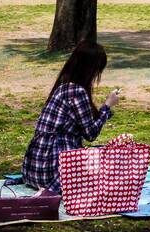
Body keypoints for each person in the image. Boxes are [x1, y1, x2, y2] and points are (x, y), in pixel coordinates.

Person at [22, 42, 120, 193]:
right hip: (52, 170)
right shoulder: (77, 91)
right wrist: (107, 106)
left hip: (33, 169)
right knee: (110, 167)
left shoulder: (63, 86)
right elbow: (90, 134)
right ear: (91, 69)